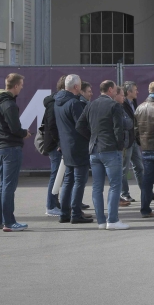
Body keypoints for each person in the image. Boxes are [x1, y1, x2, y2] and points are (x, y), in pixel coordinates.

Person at [76, 80, 129, 230]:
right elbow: (118, 129)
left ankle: (101, 221)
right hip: (110, 149)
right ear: (111, 89)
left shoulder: (90, 105)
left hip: (94, 150)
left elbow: (79, 126)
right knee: (115, 185)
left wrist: (92, 137)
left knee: (97, 187)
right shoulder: (114, 106)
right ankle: (112, 220)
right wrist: (120, 146)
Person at [0, 73, 30, 232]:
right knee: (9, 186)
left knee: (3, 185)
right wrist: (24, 133)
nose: (21, 88)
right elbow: (15, 128)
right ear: (15, 86)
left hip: (0, 146)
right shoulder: (9, 105)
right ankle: (9, 222)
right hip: (11, 148)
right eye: (21, 85)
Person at [55, 74, 94, 225]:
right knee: (79, 181)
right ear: (77, 87)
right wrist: (91, 137)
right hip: (78, 146)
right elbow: (81, 125)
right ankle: (76, 213)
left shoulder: (58, 102)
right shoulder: (74, 103)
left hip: (66, 146)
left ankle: (65, 213)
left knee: (68, 181)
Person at [135, 80, 154, 218]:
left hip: (146, 148)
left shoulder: (140, 107)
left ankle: (145, 209)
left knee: (147, 180)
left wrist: (141, 142)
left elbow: (135, 130)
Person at [41, 75, 66, 217]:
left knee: (59, 175)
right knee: (56, 175)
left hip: (57, 143)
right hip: (55, 145)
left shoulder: (56, 101)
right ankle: (51, 206)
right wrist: (59, 142)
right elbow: (51, 125)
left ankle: (55, 203)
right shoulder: (54, 102)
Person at [119, 81, 145, 207]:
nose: (137, 92)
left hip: (134, 139)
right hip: (126, 141)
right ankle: (125, 193)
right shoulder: (122, 104)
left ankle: (145, 192)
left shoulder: (133, 102)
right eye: (135, 90)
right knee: (124, 168)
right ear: (128, 92)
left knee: (139, 166)